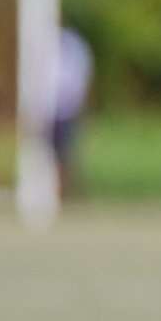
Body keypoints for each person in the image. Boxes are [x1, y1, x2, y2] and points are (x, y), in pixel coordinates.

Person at [51, 26, 91, 201]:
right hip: (47, 109)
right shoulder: (43, 41)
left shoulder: (73, 44)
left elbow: (83, 77)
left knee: (65, 154)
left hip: (67, 108)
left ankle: (66, 195)